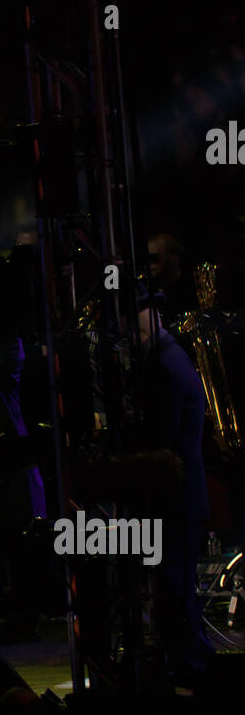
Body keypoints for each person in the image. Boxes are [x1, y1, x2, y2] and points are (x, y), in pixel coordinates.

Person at [137, 286, 216, 691]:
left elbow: (162, 437)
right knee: (178, 591)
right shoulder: (170, 357)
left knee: (175, 593)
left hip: (177, 498)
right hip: (183, 496)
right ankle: (197, 667)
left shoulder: (165, 363)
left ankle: (194, 674)